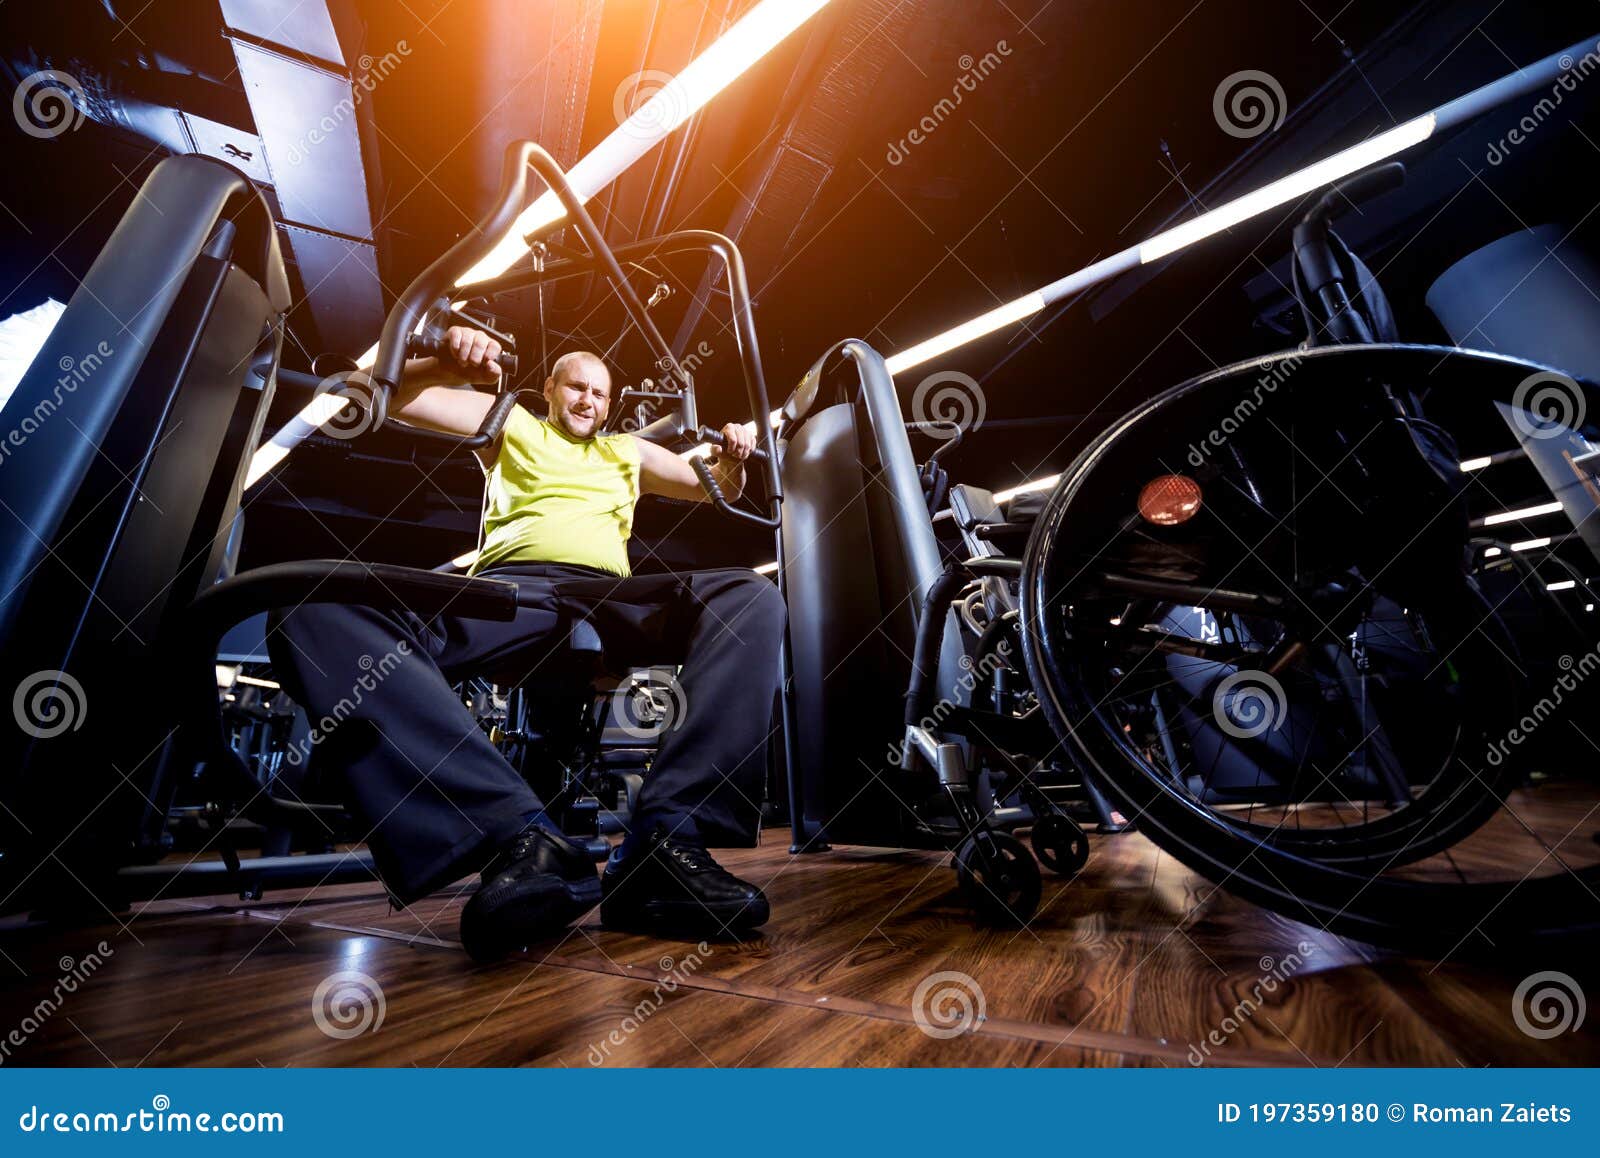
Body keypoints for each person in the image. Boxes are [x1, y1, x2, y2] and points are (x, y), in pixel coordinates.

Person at [267, 327, 786, 962]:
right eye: (577, 386)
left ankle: (665, 840)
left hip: (607, 600)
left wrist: (733, 454)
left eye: (600, 392)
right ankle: (519, 838)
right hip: (510, 595)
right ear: (550, 389)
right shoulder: (512, 420)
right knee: (314, 607)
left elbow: (716, 487)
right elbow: (384, 394)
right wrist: (446, 360)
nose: (590, 399)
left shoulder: (628, 453)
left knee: (749, 597)